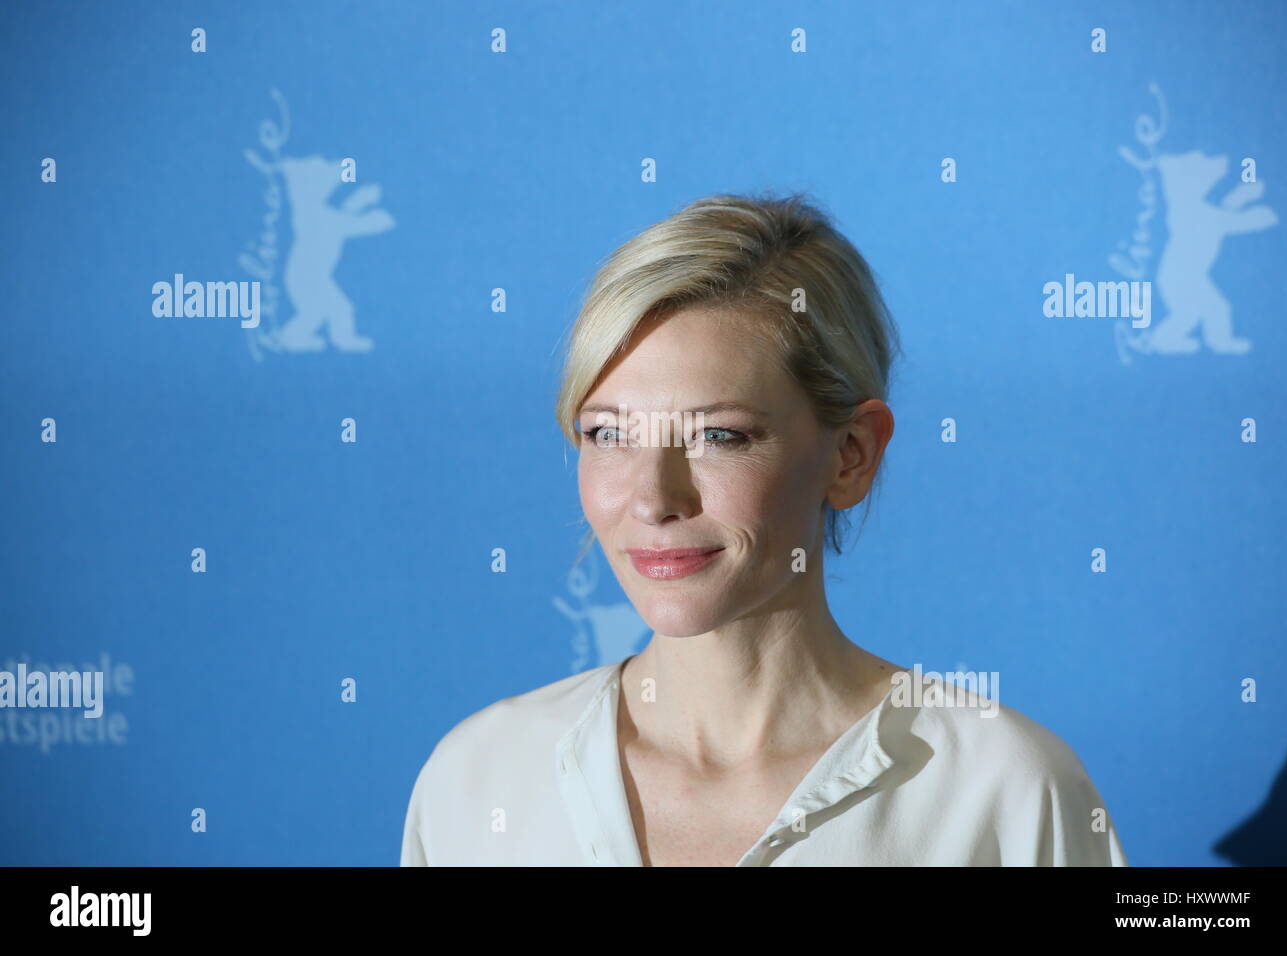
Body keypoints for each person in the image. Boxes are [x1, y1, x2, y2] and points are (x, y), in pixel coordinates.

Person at [401, 192, 1128, 866]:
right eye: (609, 434)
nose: (653, 500)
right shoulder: (479, 779)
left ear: (852, 454)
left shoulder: (1005, 791)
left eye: (718, 436)